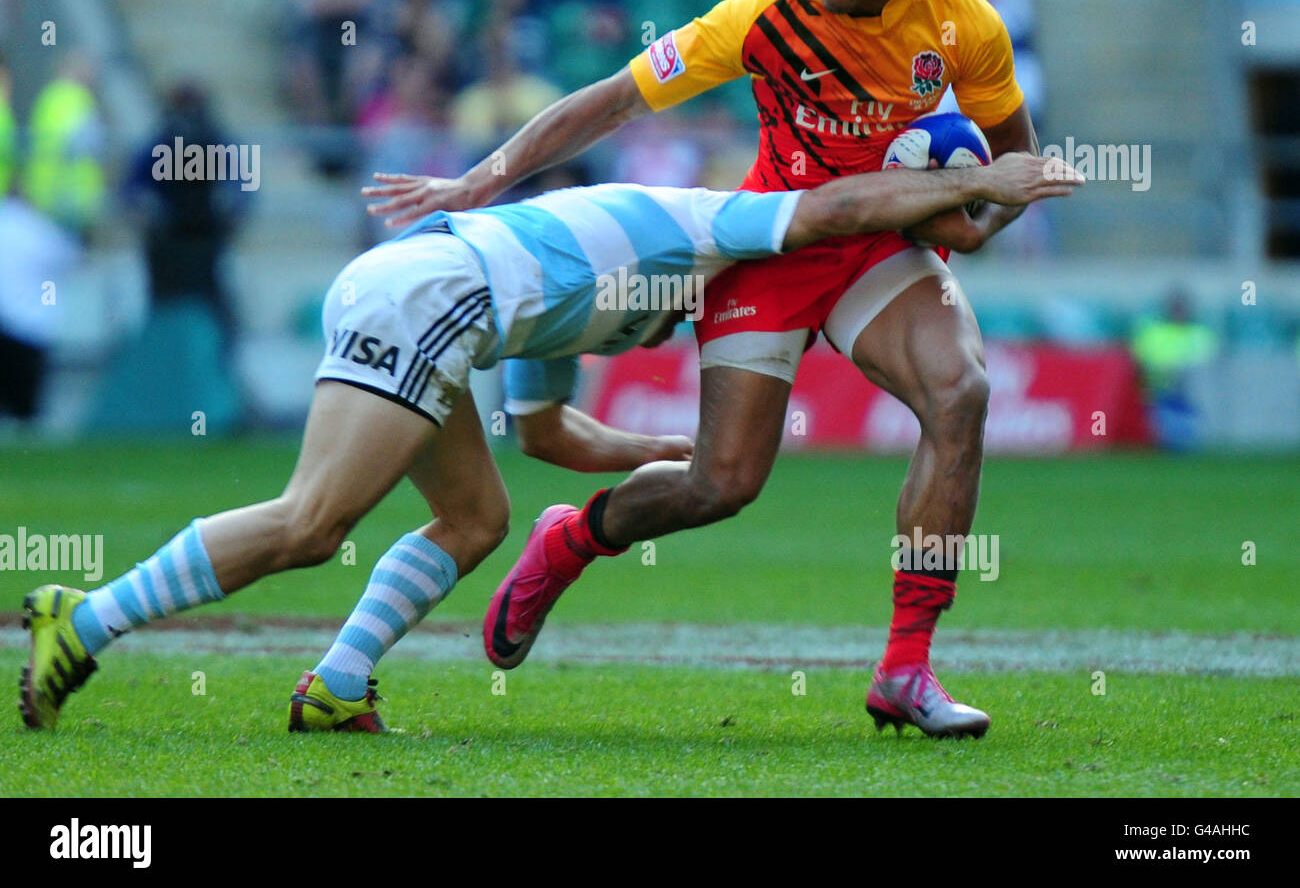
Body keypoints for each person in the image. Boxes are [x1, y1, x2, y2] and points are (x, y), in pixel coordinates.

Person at [17, 154, 1074, 732]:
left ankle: (338, 684)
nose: (683, 331)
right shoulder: (707, 224)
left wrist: (664, 447)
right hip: (429, 295)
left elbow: (545, 432)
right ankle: (87, 615)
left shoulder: (583, 306)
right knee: (310, 521)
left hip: (443, 303)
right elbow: (831, 206)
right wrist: (966, 189)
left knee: (476, 517)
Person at [363, 0, 1043, 738]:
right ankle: (572, 538)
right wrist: (477, 181)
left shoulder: (964, 22)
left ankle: (905, 668)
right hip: (771, 239)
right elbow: (612, 101)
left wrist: (969, 223)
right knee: (720, 485)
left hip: (880, 242)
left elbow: (1010, 170)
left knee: (963, 393)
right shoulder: (767, 13)